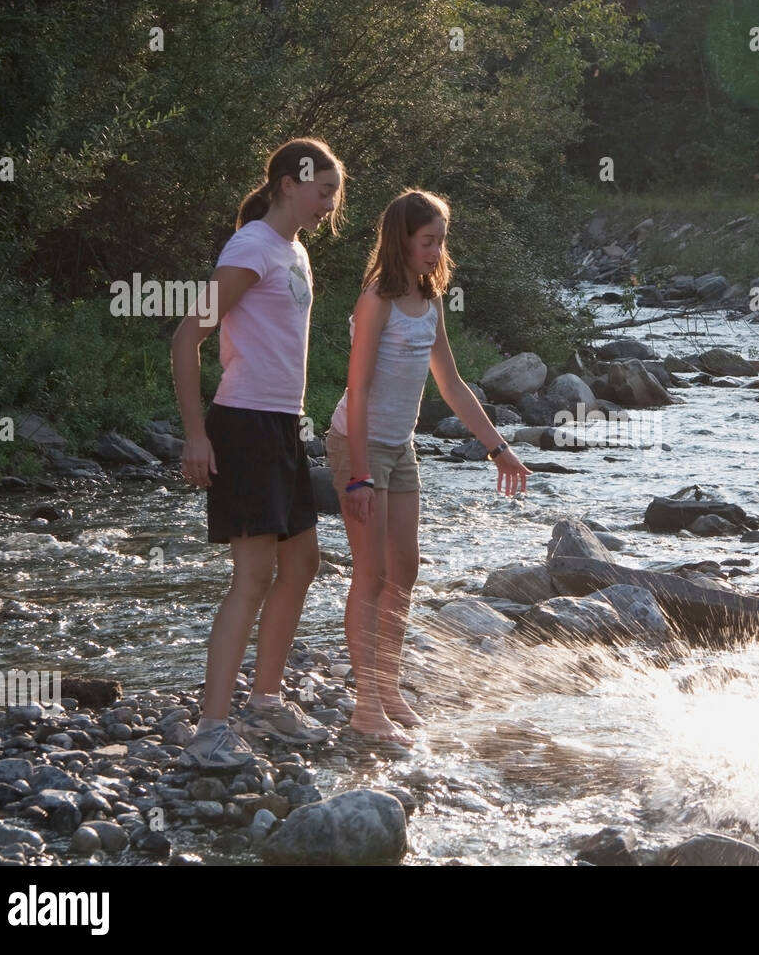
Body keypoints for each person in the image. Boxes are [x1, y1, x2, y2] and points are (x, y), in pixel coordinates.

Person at [327, 188, 532, 746]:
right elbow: (358, 389)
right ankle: (366, 707)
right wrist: (361, 473)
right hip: (358, 442)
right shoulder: (378, 300)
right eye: (428, 241)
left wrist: (498, 447)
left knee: (406, 570)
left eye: (442, 240)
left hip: (402, 446)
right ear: (401, 240)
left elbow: (452, 384)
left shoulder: (429, 301)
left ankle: (388, 689)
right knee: (370, 573)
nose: (437, 251)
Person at [170, 138, 346, 768]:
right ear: (288, 184)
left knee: (301, 565)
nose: (330, 204)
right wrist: (196, 433)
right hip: (241, 424)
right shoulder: (250, 248)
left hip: (283, 426)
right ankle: (210, 729)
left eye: (333, 193)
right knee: (252, 577)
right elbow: (187, 337)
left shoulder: (293, 251)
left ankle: (265, 701)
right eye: (324, 191)